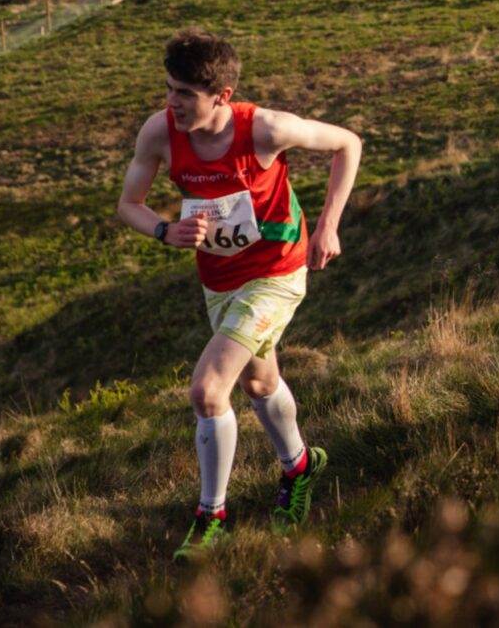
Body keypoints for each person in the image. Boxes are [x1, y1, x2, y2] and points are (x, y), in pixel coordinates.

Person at [115, 29, 362, 563]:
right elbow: (128, 204)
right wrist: (163, 231)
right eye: (168, 88)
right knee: (258, 379)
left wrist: (328, 227)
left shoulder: (266, 128)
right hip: (219, 277)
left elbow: (348, 143)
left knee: (208, 389)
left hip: (276, 270)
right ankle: (300, 466)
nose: (171, 102)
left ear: (222, 96)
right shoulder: (160, 132)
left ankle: (212, 519)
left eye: (184, 93)